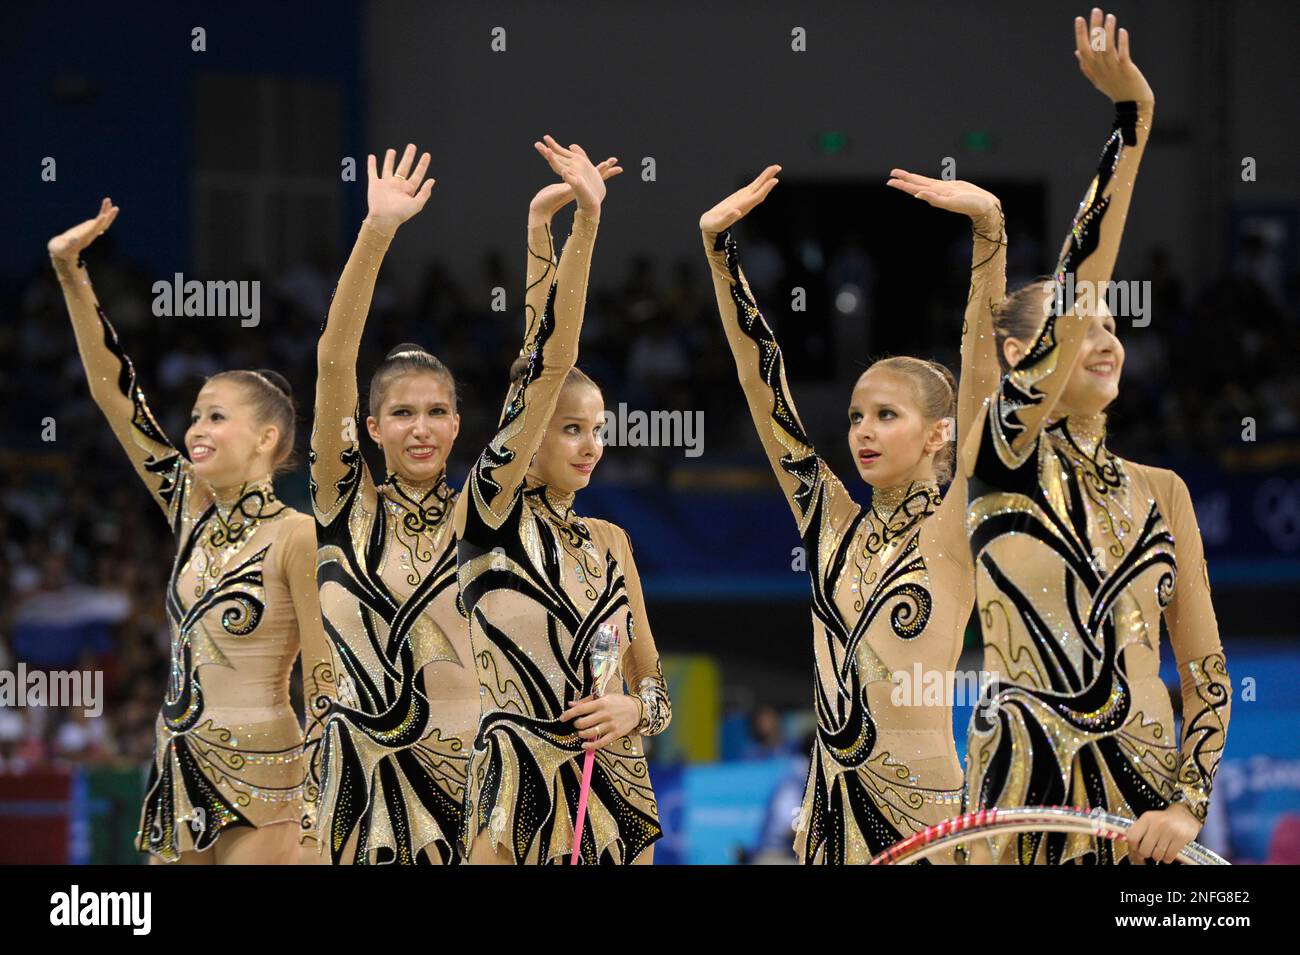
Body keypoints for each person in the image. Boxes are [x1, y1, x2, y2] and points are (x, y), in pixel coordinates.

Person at [960, 9, 1230, 865]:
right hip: (1022, 803)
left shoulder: (1165, 492)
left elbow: (1207, 667)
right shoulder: (1002, 456)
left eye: (1116, 326)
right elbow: (1082, 276)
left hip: (1148, 818)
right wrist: (1131, 128)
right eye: (1086, 327)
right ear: (1022, 354)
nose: (1105, 336)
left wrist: (1188, 805)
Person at [699, 159, 1005, 863]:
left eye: (886, 415)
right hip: (827, 826)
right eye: (857, 414)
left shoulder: (954, 519)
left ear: (938, 433)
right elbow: (761, 380)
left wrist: (990, 231)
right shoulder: (829, 520)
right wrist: (720, 254)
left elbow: (981, 374)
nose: (862, 430)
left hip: (927, 821)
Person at [51, 199, 321, 864]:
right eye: (195, 415)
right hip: (180, 762)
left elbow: (324, 674)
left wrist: (322, 796)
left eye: (216, 417)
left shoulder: (297, 535)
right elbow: (118, 397)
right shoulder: (187, 509)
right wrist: (69, 273)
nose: (195, 429)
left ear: (266, 437)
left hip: (268, 770)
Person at [454, 137, 671, 865]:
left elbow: (655, 686)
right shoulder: (490, 518)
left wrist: (634, 709)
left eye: (598, 431)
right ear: (528, 435)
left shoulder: (610, 542)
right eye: (571, 428)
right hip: (513, 793)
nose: (589, 445)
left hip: (611, 795)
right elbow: (543, 363)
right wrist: (574, 231)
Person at [305, 143, 479, 864]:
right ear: (370, 428)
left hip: (473, 792)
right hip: (355, 793)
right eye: (402, 413)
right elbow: (334, 362)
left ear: (458, 424)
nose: (421, 427)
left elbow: (549, 364)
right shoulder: (345, 508)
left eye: (437, 411)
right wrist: (377, 232)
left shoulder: (487, 519)